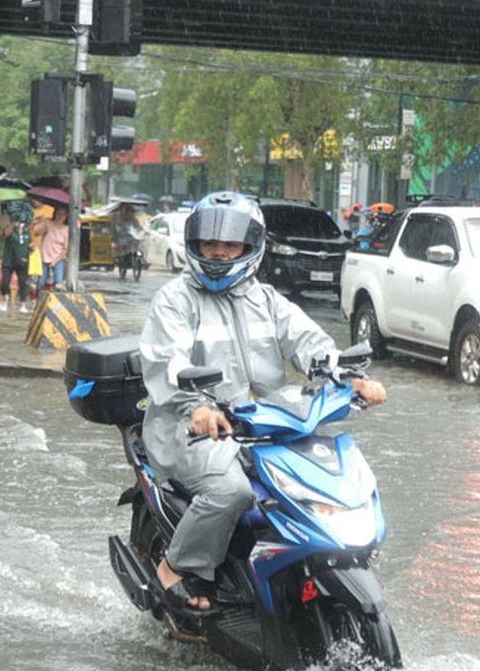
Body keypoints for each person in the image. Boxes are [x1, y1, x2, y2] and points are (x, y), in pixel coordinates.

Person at [138, 191, 387, 614]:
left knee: (327, 478)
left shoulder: (267, 300)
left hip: (264, 427)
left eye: (229, 245)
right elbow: (167, 361)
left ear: (249, 247)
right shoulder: (175, 300)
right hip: (187, 429)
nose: (218, 254)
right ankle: (178, 567)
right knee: (231, 490)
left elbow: (309, 343)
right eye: (209, 245)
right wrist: (194, 407)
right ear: (194, 246)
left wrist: (349, 377)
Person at [38, 205, 69, 294]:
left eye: (63, 214)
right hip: (44, 256)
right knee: (41, 283)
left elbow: (65, 249)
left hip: (58, 257)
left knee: (58, 282)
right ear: (55, 214)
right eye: (59, 214)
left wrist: (55, 261)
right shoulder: (49, 223)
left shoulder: (66, 229)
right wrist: (42, 223)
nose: (60, 216)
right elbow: (38, 233)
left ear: (66, 216)